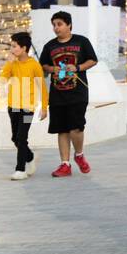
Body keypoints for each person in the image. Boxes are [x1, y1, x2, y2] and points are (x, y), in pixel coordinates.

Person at [39, 11, 98, 178]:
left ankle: (79, 154)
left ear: (69, 25)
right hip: (58, 94)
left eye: (59, 24)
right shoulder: (50, 46)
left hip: (78, 92)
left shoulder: (81, 41)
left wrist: (77, 68)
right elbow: (43, 65)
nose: (56, 28)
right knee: (62, 129)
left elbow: (93, 60)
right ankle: (65, 164)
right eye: (54, 25)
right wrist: (52, 69)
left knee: (76, 128)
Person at [1, 32, 45, 180]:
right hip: (12, 107)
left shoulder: (34, 65)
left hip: (28, 109)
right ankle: (31, 157)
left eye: (14, 46)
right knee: (15, 138)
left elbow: (42, 87)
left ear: (24, 48)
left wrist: (44, 107)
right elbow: (3, 78)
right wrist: (9, 62)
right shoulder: (12, 64)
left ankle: (20, 170)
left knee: (21, 137)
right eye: (11, 46)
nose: (11, 49)